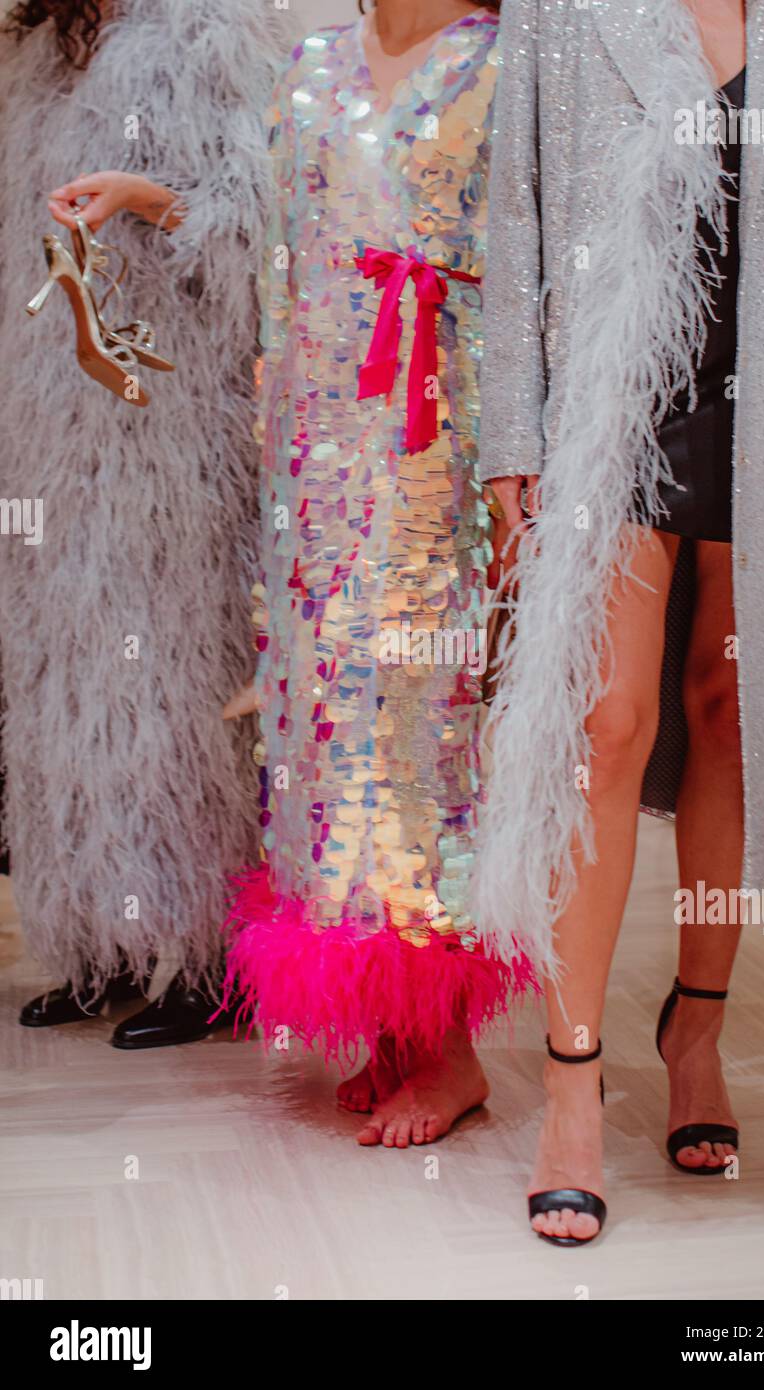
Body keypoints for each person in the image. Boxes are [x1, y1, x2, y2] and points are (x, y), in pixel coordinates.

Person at [478, 0, 764, 1243]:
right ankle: (574, 1078)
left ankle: (694, 1028)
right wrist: (509, 438)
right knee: (602, 718)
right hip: (615, 395)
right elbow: (515, 207)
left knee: (728, 707)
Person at [224, 0, 535, 1145]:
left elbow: (530, 275)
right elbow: (277, 270)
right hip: (315, 462)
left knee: (413, 726)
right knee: (324, 729)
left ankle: (450, 1054)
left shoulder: (505, 61)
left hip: (433, 453)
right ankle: (389, 1028)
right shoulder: (307, 68)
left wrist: (516, 464)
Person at [0, 0, 294, 1046]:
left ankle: (208, 956)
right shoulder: (37, 50)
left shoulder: (206, 32)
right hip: (53, 421)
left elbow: (265, 217)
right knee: (66, 686)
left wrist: (143, 199)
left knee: (176, 683)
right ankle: (100, 945)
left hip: (173, 417)